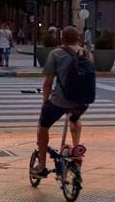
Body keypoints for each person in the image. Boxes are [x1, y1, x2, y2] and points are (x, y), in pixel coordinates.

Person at [33, 27, 95, 178]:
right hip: (82, 101)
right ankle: (75, 149)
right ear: (78, 38)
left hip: (60, 101)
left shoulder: (56, 54)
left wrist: (45, 102)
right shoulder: (88, 54)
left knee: (43, 127)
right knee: (75, 118)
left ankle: (41, 165)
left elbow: (48, 83)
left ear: (62, 39)